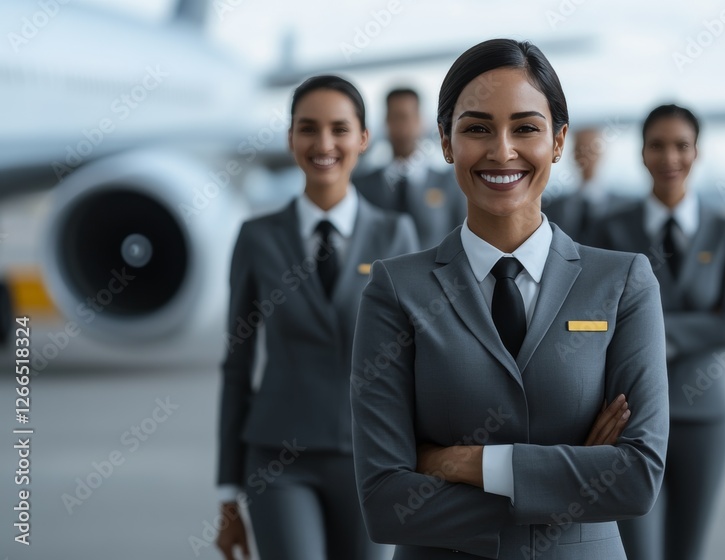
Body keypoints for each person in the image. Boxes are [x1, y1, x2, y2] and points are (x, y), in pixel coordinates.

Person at [350, 39, 669, 559]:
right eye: (477, 128)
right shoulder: (395, 289)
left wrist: (462, 463)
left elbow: (636, 480)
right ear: (446, 142)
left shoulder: (624, 282)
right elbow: (386, 503)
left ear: (559, 141)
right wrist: (571, 480)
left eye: (526, 128)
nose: (502, 151)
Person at [215, 75, 418, 560]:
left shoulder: (396, 235)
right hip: (278, 461)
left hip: (374, 461)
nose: (323, 144)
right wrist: (227, 493)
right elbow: (237, 365)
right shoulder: (257, 237)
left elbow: (421, 360)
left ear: (364, 139)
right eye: (308, 129)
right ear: (290, 139)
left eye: (339, 129)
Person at [594, 104, 725, 560]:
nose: (670, 158)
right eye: (657, 146)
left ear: (697, 152)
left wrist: (646, 330)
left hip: (704, 417)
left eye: (681, 145)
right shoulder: (609, 228)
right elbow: (600, 322)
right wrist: (689, 327)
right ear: (641, 154)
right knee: (637, 552)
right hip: (631, 420)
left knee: (688, 550)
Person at [354, 87, 466, 249]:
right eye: (396, 117)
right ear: (386, 121)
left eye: (408, 117)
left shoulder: (450, 184)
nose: (402, 126)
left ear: (421, 121)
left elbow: (463, 241)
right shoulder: (363, 186)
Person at [543, 127, 630, 243]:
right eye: (580, 149)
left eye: (593, 149)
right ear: (573, 155)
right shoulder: (551, 207)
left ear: (602, 154)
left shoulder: (625, 207)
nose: (586, 156)